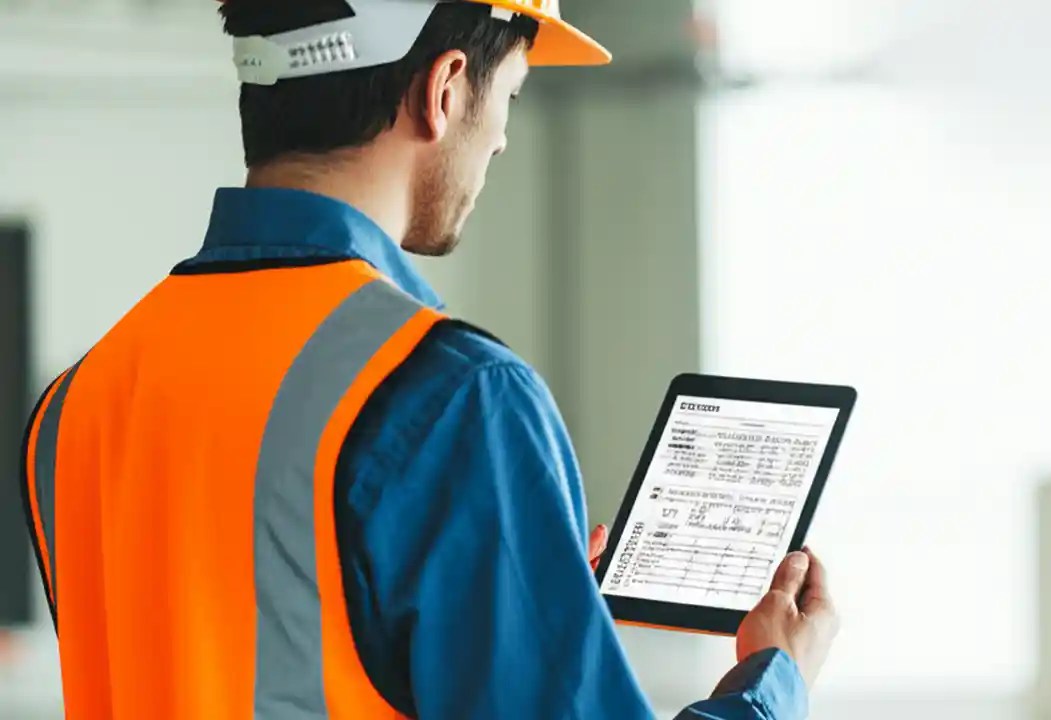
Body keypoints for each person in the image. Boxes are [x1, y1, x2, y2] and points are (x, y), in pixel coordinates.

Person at [19, 1, 840, 717]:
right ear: (444, 88)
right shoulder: (454, 396)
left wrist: (510, 611)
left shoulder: (77, 401)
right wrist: (774, 680)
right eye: (510, 95)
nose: (503, 139)